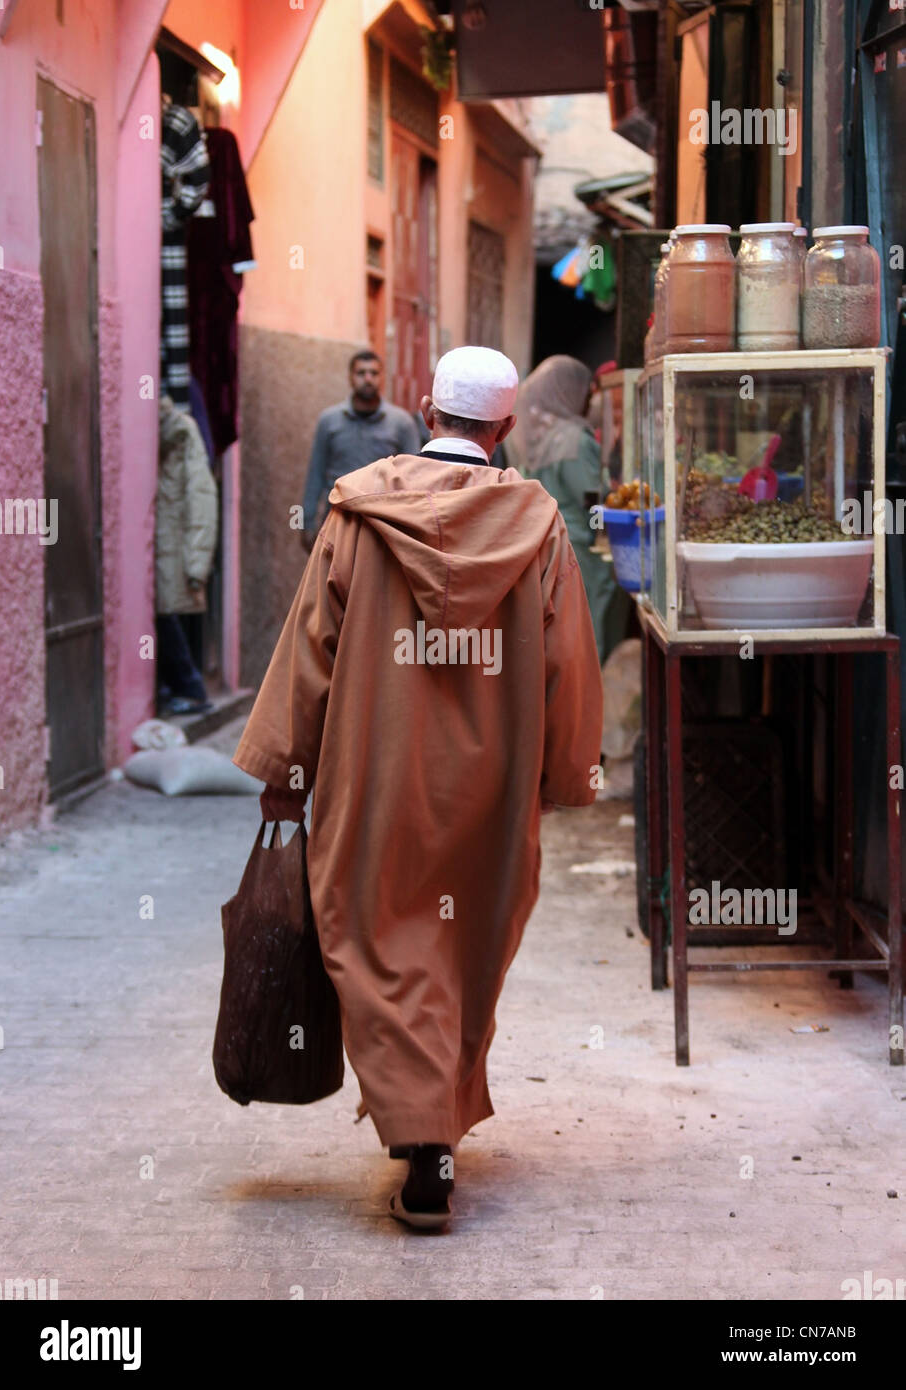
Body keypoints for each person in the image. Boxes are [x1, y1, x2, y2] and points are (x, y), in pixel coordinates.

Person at [233, 346, 603, 1231]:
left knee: (384, 946)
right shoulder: (540, 526)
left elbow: (310, 648)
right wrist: (559, 775)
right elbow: (566, 664)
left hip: (376, 784)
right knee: (463, 949)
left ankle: (421, 1136)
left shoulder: (358, 516)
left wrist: (287, 775)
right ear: (506, 428)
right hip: (492, 794)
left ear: (426, 409)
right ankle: (433, 1134)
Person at [516, 354, 630, 665]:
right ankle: (590, 701)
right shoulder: (574, 440)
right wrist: (605, 537)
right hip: (581, 549)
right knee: (590, 625)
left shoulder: (541, 438)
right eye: (587, 393)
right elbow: (592, 499)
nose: (590, 401)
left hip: (548, 543)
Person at [301, 350, 419, 549]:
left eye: (374, 373)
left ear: (382, 377)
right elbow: (315, 474)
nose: (368, 379)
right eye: (361, 373)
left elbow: (415, 478)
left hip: (382, 525)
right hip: (337, 519)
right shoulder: (329, 420)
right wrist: (303, 523)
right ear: (350, 377)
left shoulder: (402, 423)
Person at [156, 396, 218, 715]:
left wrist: (197, 561)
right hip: (166, 545)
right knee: (166, 613)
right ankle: (183, 688)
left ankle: (190, 688)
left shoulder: (182, 431)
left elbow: (202, 497)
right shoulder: (160, 433)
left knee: (167, 613)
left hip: (173, 546)